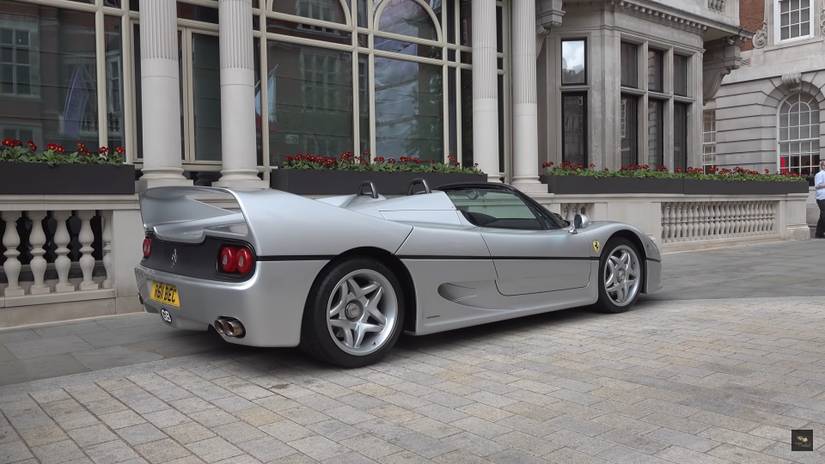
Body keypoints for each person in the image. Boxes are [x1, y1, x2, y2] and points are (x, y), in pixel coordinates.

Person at [816, 160, 825, 238]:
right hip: (821, 197)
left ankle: (818, 233)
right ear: (822, 166)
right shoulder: (819, 174)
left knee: (822, 216)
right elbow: (817, 186)